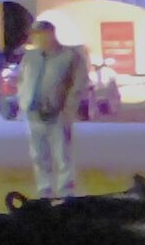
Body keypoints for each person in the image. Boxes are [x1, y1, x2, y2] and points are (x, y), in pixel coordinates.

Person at [17, 20, 90, 201]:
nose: (37, 39)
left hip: (57, 113)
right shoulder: (30, 57)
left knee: (62, 154)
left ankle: (66, 191)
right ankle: (44, 189)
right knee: (38, 155)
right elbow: (22, 80)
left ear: (51, 34)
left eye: (41, 34)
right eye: (35, 35)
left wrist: (69, 108)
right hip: (33, 113)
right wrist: (22, 102)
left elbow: (79, 84)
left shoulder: (69, 57)